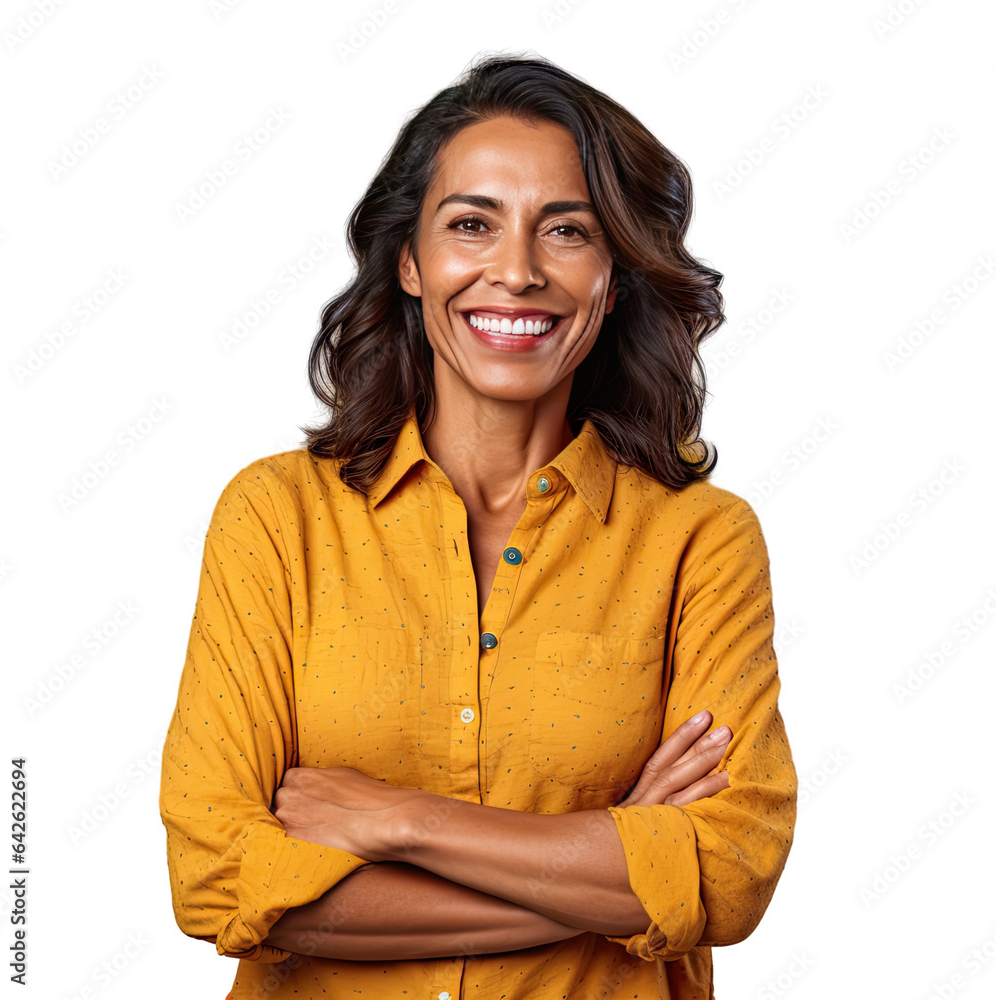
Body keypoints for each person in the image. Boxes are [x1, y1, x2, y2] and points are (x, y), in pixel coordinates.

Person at [159, 53, 796, 1000]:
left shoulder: (700, 541)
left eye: (567, 231)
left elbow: (731, 869)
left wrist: (398, 821)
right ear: (410, 263)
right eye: (471, 225)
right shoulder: (275, 519)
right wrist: (616, 876)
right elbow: (216, 874)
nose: (518, 273)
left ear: (613, 277)